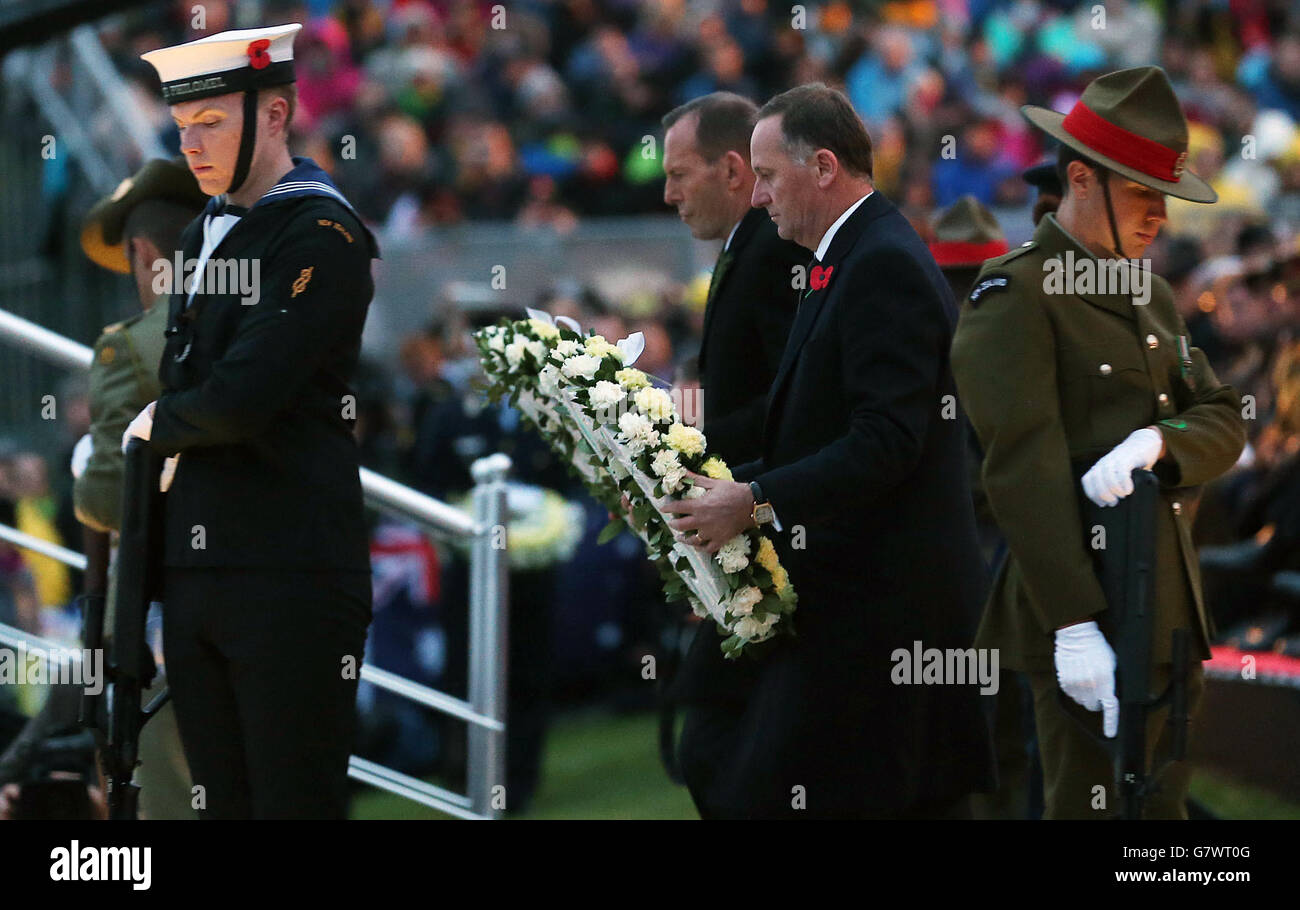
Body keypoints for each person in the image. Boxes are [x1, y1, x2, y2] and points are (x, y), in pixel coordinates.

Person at [661, 83, 995, 818]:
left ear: (822, 167)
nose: (759, 198)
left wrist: (747, 501)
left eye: (770, 177)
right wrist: (706, 490)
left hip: (885, 616)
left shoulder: (880, 264)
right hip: (858, 611)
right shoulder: (840, 258)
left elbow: (886, 442)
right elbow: (808, 432)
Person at [950, 66, 1247, 819]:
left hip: (1168, 599)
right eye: (1144, 194)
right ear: (1081, 179)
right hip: (1083, 600)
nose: (1160, 218)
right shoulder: (1013, 293)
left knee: (1158, 821)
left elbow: (1221, 415)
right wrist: (1074, 623)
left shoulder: (1146, 291)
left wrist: (1159, 440)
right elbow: (1021, 467)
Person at [126, 23, 380, 818]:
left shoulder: (321, 231)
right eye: (183, 128)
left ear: (274, 115)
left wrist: (151, 425)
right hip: (206, 573)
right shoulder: (205, 229)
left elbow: (238, 397)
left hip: (289, 571)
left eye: (212, 124)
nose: (192, 145)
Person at [656, 92, 806, 814]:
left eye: (681, 173)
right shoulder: (746, 248)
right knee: (715, 745)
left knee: (719, 750)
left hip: (770, 527)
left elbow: (789, 398)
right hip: (748, 517)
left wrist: (686, 450)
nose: (668, 193)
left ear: (735, 168)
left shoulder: (770, 249)